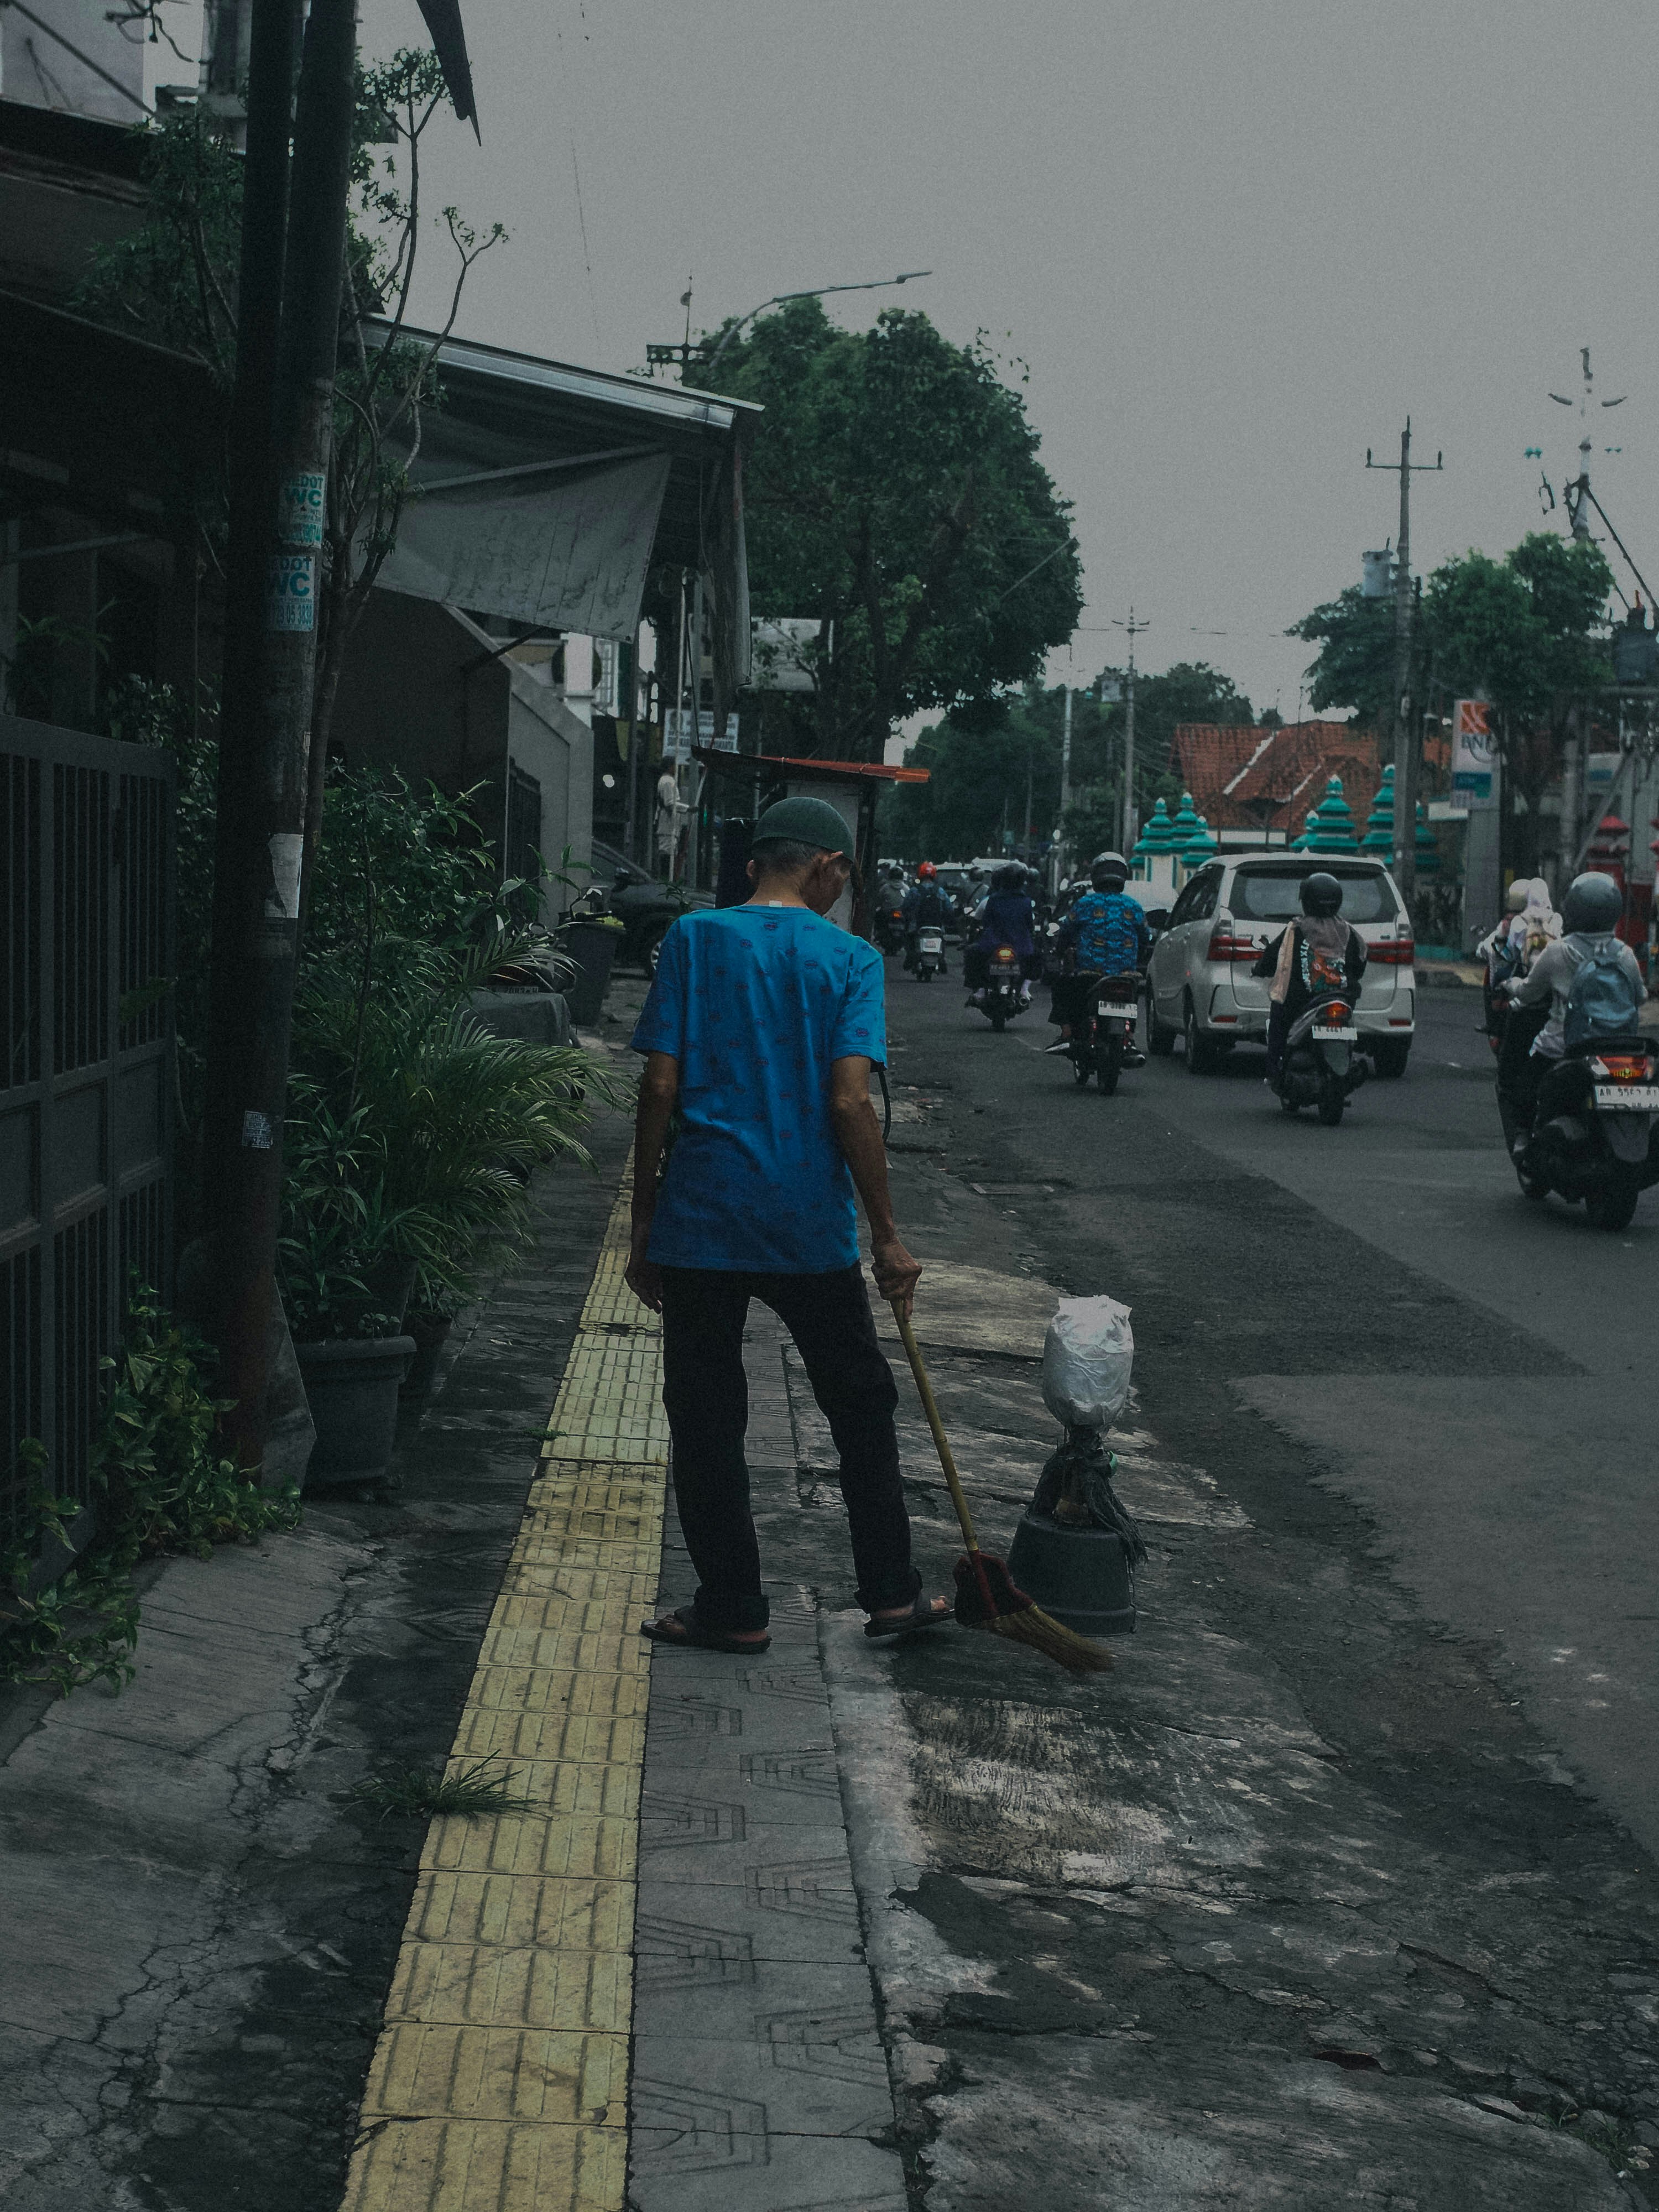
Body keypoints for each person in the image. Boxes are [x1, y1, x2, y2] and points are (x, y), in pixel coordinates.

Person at [627, 795, 951, 1653]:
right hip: (808, 1226)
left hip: (701, 1218)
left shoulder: (694, 941)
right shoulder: (849, 958)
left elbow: (658, 1089)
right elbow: (850, 1102)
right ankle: (890, 1594)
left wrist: (642, 1231)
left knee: (705, 1418)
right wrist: (886, 1234)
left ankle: (733, 1608)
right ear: (829, 871)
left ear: (751, 866)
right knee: (860, 1407)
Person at [1500, 870, 1646, 1147]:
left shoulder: (1558, 952)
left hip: (1564, 1049)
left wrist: (1511, 984)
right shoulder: (1625, 954)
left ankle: (1524, 1138)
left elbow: (1529, 993)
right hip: (1618, 1051)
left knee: (1525, 1089)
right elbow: (1639, 997)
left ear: (1573, 909)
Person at [1251, 871, 1367, 1085]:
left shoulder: (1295, 930)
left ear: (1306, 902)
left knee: (1278, 1019)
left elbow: (1272, 956)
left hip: (1300, 999)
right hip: (1341, 997)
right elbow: (1359, 965)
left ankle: (1274, 1072)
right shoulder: (1349, 932)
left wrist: (1260, 968)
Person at [1045, 854, 1151, 1055]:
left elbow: (1067, 931)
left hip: (1090, 974)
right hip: (1126, 976)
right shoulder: (1133, 906)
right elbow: (1145, 936)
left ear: (1096, 878)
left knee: (1062, 985)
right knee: (1131, 997)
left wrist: (1060, 951)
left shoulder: (1086, 904)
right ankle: (1129, 1037)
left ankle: (1067, 1033)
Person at [965, 864, 1040, 1003]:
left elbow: (986, 922)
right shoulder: (1026, 902)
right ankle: (1024, 988)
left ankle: (981, 989)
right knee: (1036, 957)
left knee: (972, 953)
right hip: (1020, 945)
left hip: (993, 943)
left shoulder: (993, 899)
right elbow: (1029, 925)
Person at [902, 860, 953, 974]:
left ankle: (910, 959)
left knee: (908, 939)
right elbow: (949, 909)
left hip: (917, 926)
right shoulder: (940, 891)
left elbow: (905, 907)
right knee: (942, 941)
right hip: (937, 926)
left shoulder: (914, 891)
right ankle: (942, 960)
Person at [654, 765, 682, 880]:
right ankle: (666, 879)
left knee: (669, 852)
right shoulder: (668, 781)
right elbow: (670, 803)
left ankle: (667, 878)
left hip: (670, 825)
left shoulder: (666, 780)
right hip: (668, 825)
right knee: (667, 853)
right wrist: (687, 809)